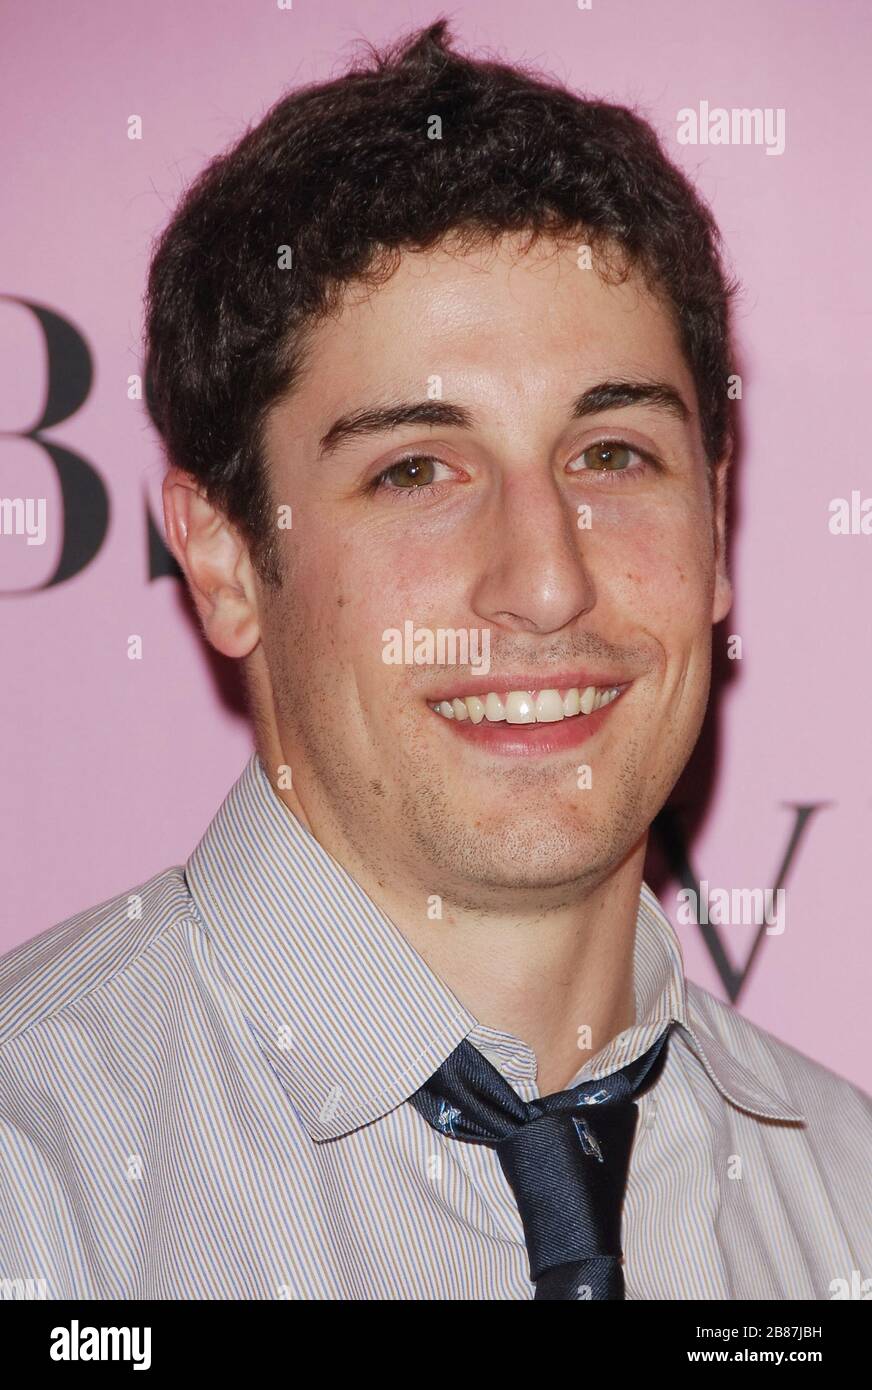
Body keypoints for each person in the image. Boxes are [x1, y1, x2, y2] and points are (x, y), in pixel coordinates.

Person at [1, 18, 869, 1301]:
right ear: (226, 558)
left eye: (612, 454)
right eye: (416, 469)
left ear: (716, 520)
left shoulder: (844, 1198)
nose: (545, 578)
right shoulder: (37, 1183)